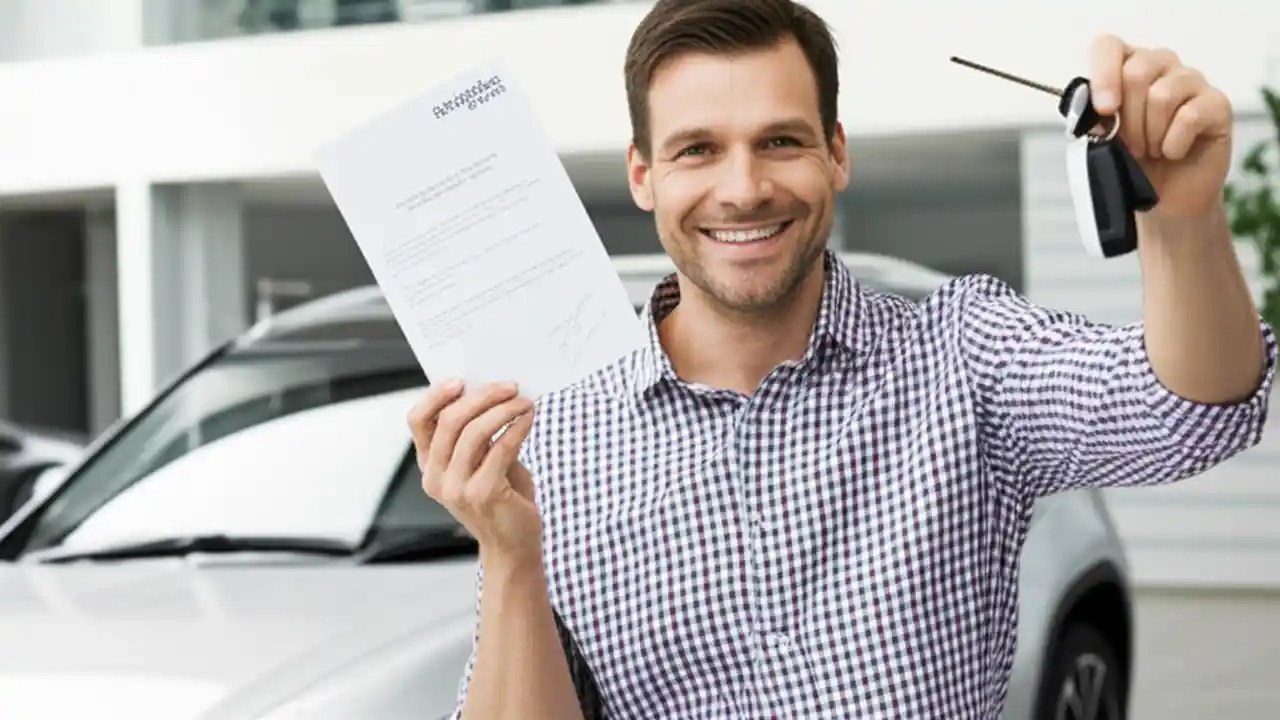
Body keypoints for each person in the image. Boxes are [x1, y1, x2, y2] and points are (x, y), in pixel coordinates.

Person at [408, 0, 1278, 717]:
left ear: (838, 153)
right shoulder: (552, 431)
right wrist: (513, 558)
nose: (743, 186)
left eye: (780, 141)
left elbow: (1193, 411)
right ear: (644, 176)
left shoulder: (962, 356)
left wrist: (1186, 225)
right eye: (697, 149)